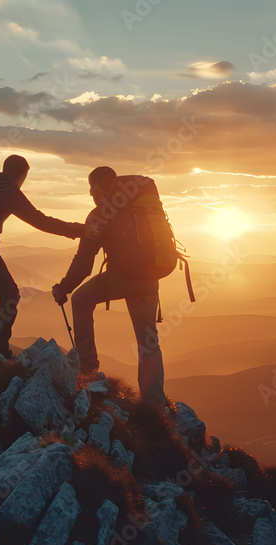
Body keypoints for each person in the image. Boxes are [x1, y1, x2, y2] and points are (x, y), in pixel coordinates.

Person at [52, 166, 166, 408]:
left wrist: (63, 288)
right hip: (149, 279)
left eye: (91, 188)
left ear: (98, 186)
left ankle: (88, 368)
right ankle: (154, 404)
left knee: (81, 299)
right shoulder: (139, 206)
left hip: (121, 278)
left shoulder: (99, 215)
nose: (90, 194)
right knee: (148, 341)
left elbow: (84, 264)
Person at [0, 154, 84, 358]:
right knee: (11, 292)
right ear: (22, 176)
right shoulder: (9, 189)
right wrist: (78, 230)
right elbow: (40, 221)